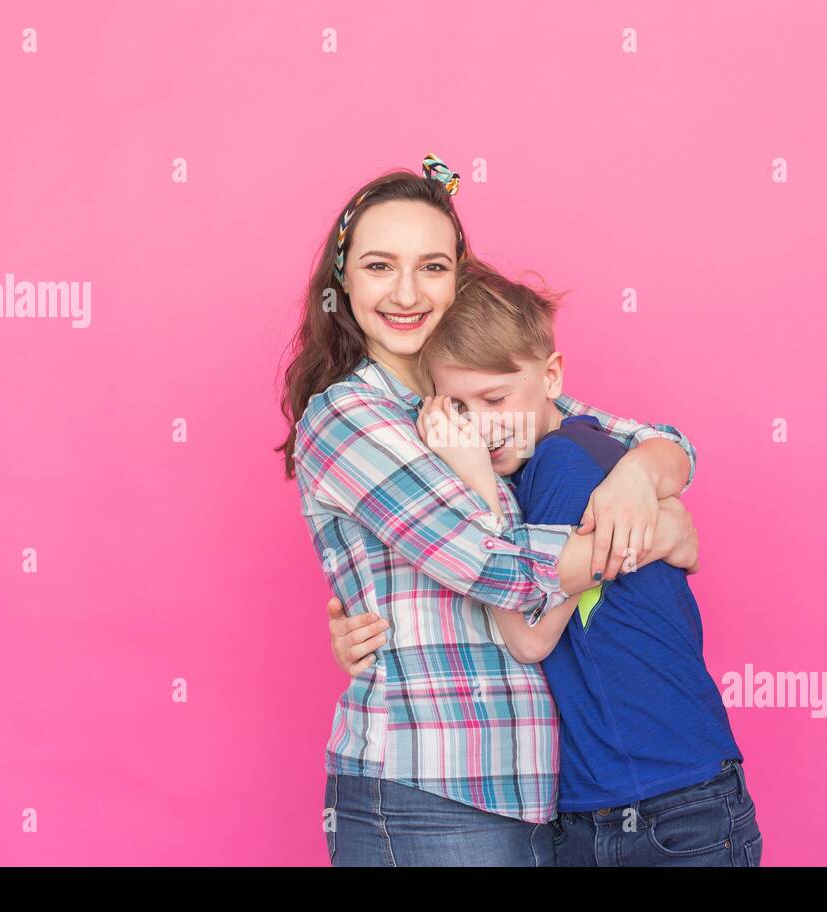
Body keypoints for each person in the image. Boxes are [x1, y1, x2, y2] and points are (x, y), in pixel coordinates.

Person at [277, 153, 702, 866]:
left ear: (460, 276)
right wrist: (654, 531)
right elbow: (492, 567)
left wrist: (638, 475)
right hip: (429, 784)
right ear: (342, 280)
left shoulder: (479, 391)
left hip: (539, 789)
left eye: (433, 267)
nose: (406, 291)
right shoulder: (351, 415)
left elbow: (660, 444)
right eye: (380, 266)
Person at [410, 258, 762, 866]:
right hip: (618, 799)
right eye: (458, 411)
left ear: (551, 377)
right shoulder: (557, 458)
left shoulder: (561, 466)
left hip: (662, 805)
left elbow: (527, 637)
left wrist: (472, 479)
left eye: (496, 398)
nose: (482, 429)